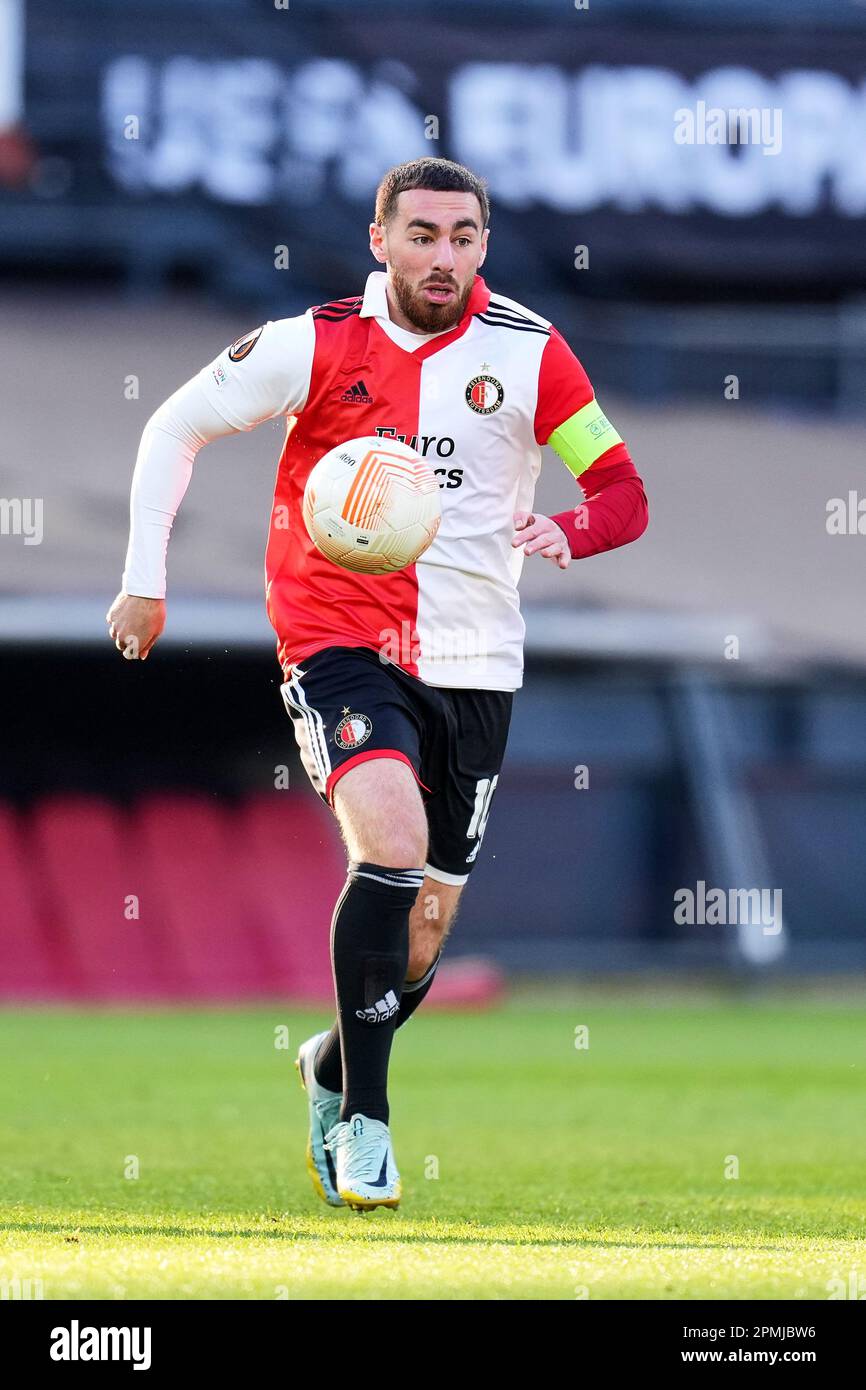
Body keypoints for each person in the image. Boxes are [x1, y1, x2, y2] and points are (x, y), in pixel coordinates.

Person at [108, 156, 648, 1212]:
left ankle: (327, 1066)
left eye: (461, 237)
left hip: (477, 664)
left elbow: (622, 489)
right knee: (389, 844)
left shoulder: (529, 354)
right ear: (379, 240)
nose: (441, 256)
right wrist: (143, 582)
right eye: (421, 235)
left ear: (483, 245)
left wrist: (571, 529)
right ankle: (367, 1122)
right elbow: (171, 425)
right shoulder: (315, 344)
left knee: (422, 939)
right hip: (338, 637)